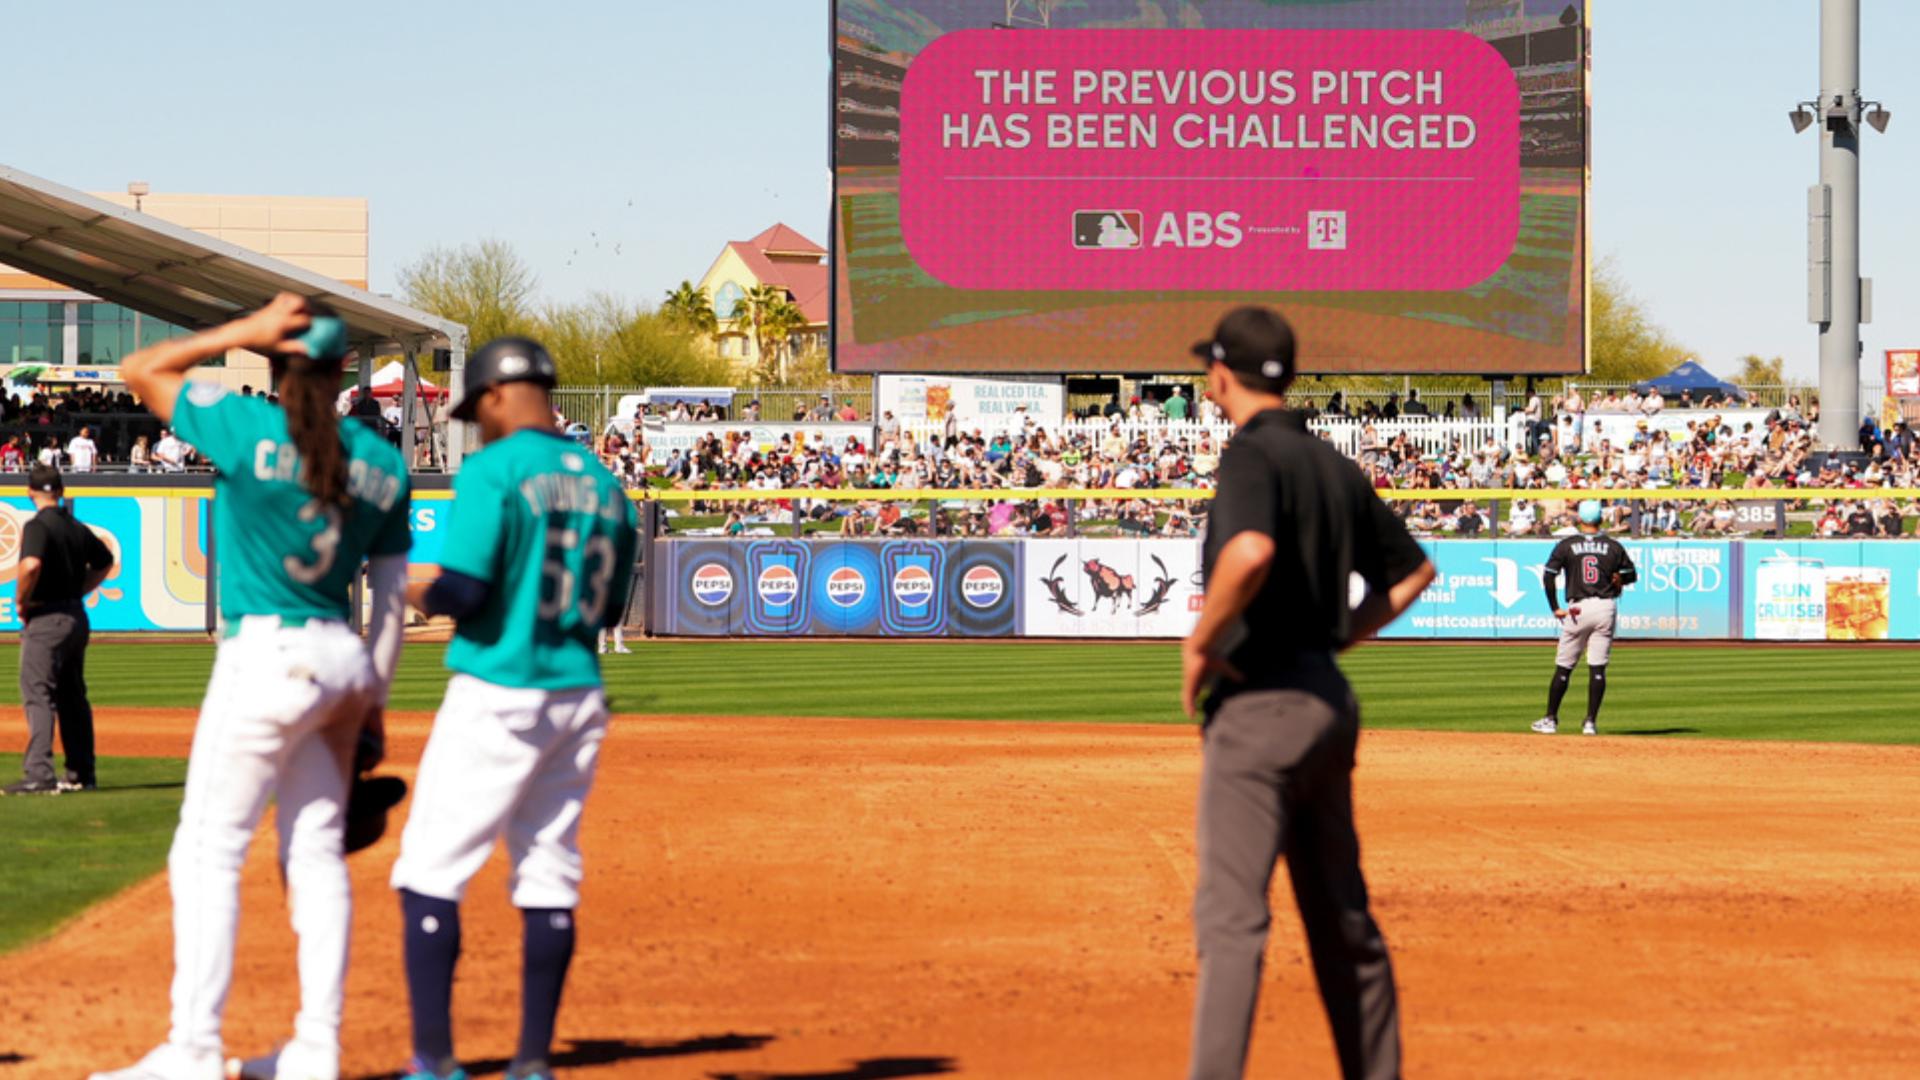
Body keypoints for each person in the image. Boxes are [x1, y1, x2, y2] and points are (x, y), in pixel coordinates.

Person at [91, 294, 412, 1080]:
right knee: (313, 856)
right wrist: (371, 701)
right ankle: (316, 1051)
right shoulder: (384, 463)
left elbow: (140, 369)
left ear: (276, 362)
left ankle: (195, 1049)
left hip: (264, 655)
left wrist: (243, 330)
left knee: (209, 850)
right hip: (341, 661)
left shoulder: (247, 426)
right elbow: (394, 604)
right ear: (342, 371)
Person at [1181, 307, 1435, 1080]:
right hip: (1328, 703)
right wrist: (1336, 640)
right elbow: (1415, 573)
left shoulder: (1251, 455)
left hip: (1259, 704)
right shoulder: (1333, 463)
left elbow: (1250, 550)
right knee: (1342, 922)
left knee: (1232, 924)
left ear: (1222, 374)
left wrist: (1201, 641)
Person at [392, 336, 638, 1080]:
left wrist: (407, 585)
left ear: (499, 396)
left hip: (500, 687)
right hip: (578, 690)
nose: (477, 422)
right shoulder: (606, 483)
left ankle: (434, 1061)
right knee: (549, 870)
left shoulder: (493, 470)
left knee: (429, 869)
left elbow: (464, 595)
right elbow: (609, 606)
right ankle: (532, 1062)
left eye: (478, 408)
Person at [5, 465, 116, 796]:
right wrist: (80, 589)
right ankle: (82, 772)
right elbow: (105, 560)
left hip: (46, 617)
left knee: (38, 694)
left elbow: (31, 565)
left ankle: (39, 773)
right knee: (73, 697)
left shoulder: (39, 525)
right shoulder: (74, 524)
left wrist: (22, 600)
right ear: (61, 491)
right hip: (74, 617)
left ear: (29, 492)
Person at [1533, 500, 1637, 737]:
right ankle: (1590, 722)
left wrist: (1554, 608)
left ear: (1579, 519)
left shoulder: (1567, 544)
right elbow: (1631, 574)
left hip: (1578, 608)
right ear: (1601, 519)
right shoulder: (1613, 546)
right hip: (1605, 608)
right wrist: (1619, 579)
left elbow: (1548, 577)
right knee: (1597, 667)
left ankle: (1551, 719)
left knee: (1564, 667)